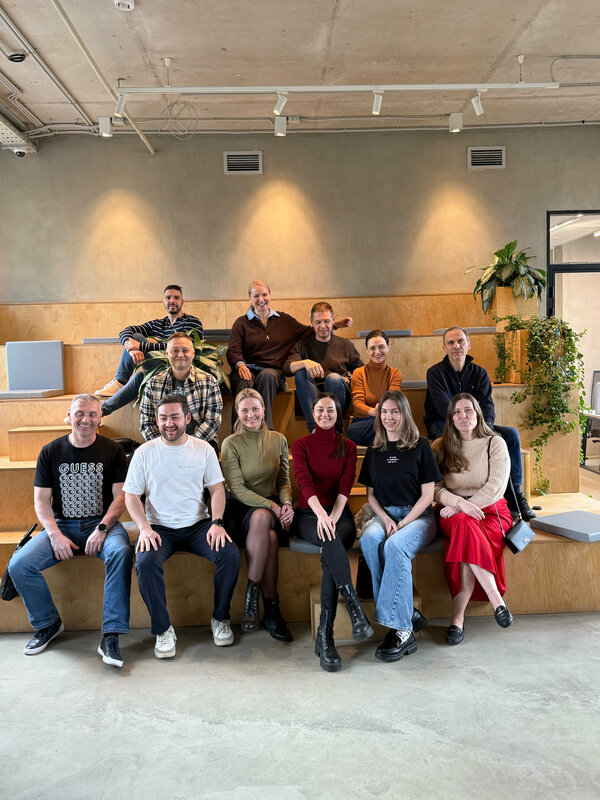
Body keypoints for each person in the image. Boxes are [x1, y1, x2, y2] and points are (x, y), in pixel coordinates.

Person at [9, 395, 132, 668]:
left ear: (100, 418)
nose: (85, 419)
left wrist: (102, 528)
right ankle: (48, 624)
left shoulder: (113, 450)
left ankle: (111, 635)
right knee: (19, 564)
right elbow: (41, 502)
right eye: (79, 413)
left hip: (102, 524)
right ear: (69, 415)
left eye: (92, 414)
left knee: (121, 552)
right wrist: (54, 535)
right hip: (61, 526)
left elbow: (120, 498)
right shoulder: (50, 451)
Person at [124, 394, 240, 658]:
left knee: (229, 554)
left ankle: (220, 618)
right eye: (163, 418)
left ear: (187, 418)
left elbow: (217, 489)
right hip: (159, 528)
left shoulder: (204, 449)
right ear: (156, 420)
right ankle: (163, 629)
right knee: (144, 562)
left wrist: (217, 522)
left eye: (175, 417)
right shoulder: (144, 453)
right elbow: (131, 496)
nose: (169, 423)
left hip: (198, 525)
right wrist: (144, 528)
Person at [291, 393, 373, 672]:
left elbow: (345, 486)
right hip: (308, 513)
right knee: (330, 538)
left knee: (331, 542)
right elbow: (304, 483)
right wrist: (321, 517)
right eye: (320, 410)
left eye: (330, 410)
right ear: (313, 414)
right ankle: (353, 607)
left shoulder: (347, 446)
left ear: (338, 415)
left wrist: (332, 518)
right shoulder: (301, 445)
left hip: (340, 513)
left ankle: (325, 637)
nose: (325, 414)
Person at [358, 391, 440, 662]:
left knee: (394, 546)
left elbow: (428, 496)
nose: (389, 417)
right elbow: (370, 496)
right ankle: (406, 613)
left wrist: (403, 523)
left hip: (419, 517)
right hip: (386, 515)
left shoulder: (421, 446)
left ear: (404, 413)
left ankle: (403, 630)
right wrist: (385, 519)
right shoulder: (375, 450)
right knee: (369, 540)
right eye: (384, 412)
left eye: (394, 411)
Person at [424, 326, 535, 520]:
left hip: (476, 423)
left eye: (460, 341)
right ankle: (456, 495)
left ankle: (516, 496)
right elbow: (444, 408)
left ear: (468, 345)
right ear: (444, 348)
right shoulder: (435, 373)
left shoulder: (480, 373)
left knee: (510, 435)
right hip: (444, 423)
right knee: (444, 437)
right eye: (451, 342)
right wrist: (464, 423)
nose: (456, 346)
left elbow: (487, 405)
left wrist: (484, 429)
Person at [432, 393, 514, 645]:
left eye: (468, 410)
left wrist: (467, 507)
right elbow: (434, 488)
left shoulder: (495, 443)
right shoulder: (440, 446)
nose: (462, 416)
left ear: (478, 414)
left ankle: (457, 618)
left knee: (465, 534)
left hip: (491, 511)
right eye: (456, 412)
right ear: (450, 418)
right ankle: (497, 601)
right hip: (452, 511)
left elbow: (496, 487)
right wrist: (459, 504)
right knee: (465, 526)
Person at [227, 280, 351, 429]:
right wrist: (240, 364)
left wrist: (334, 325)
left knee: (267, 376)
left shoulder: (283, 320)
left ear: (270, 295)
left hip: (273, 373)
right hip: (247, 369)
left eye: (264, 295)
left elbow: (308, 331)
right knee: (244, 381)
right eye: (256, 296)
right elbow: (233, 351)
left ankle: (265, 429)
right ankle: (239, 432)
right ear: (250, 298)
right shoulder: (241, 323)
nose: (261, 299)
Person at [221, 389, 293, 642]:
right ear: (238, 414)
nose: (250, 415)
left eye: (255, 409)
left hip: (268, 508)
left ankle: (253, 600)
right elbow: (237, 489)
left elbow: (284, 481)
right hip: (238, 509)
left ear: (263, 410)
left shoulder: (278, 439)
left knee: (263, 518)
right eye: (244, 410)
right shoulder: (230, 443)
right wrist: (273, 506)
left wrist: (287, 504)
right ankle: (270, 609)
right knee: (269, 536)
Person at [96, 284, 203, 416]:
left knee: (139, 353)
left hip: (179, 372)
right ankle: (100, 411)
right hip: (158, 371)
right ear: (163, 301)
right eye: (168, 297)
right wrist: (132, 350)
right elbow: (125, 331)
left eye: (176, 297)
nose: (172, 301)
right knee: (139, 373)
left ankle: (117, 385)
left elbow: (180, 348)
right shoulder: (158, 324)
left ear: (182, 301)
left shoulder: (192, 322)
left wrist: (141, 347)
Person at [284, 302, 363, 432]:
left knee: (333, 379)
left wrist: (349, 380)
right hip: (312, 397)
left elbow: (361, 371)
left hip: (339, 396)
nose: (322, 326)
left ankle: (335, 429)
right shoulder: (302, 345)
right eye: (318, 322)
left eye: (326, 321)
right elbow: (287, 369)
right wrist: (304, 362)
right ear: (311, 321)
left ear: (333, 320)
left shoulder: (345, 345)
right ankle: (314, 430)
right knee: (300, 372)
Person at [139, 333, 222, 451]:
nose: (180, 355)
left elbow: (213, 421)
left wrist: (189, 446)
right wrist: (165, 446)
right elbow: (146, 424)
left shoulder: (209, 382)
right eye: (175, 350)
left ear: (193, 354)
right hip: (163, 446)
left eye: (185, 350)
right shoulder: (153, 384)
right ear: (167, 354)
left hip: (201, 443)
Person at [348, 329, 402, 446]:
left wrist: (383, 414)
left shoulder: (395, 373)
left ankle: (383, 440)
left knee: (392, 424)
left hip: (388, 419)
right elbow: (357, 404)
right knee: (353, 431)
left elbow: (393, 402)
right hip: (363, 422)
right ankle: (386, 439)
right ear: (367, 350)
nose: (377, 352)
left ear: (388, 347)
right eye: (372, 348)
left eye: (381, 347)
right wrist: (374, 412)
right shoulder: (359, 373)